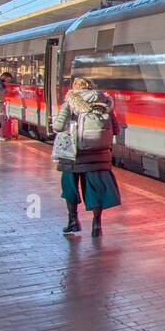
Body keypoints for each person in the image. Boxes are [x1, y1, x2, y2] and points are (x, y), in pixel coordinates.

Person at [52, 78, 122, 237]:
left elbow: (58, 126)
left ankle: (73, 222)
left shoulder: (70, 102)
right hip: (99, 155)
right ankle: (97, 225)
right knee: (96, 190)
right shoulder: (105, 103)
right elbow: (116, 130)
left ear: (75, 87)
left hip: (73, 154)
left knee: (70, 188)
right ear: (92, 87)